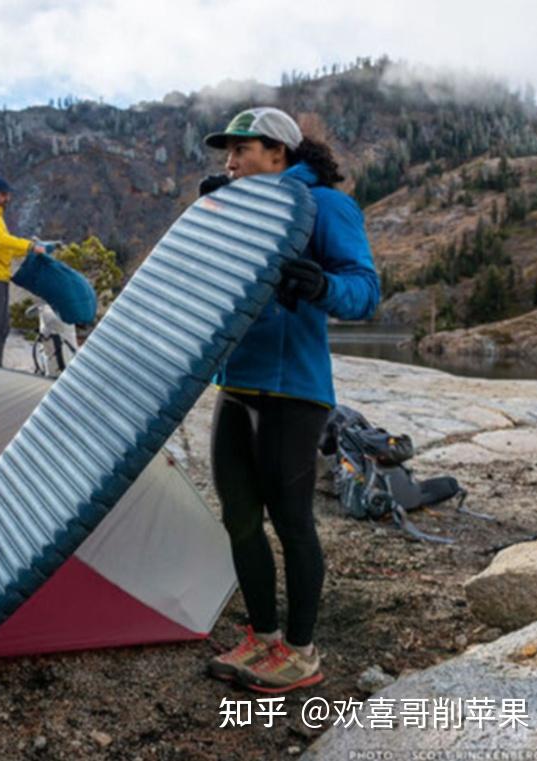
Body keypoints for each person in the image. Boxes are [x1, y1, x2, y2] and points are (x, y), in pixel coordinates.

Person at [200, 107, 380, 693]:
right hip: (237, 385)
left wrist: (325, 286)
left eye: (242, 150)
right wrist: (212, 221)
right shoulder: (237, 208)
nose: (229, 161)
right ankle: (262, 635)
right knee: (240, 518)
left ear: (278, 153)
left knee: (293, 522)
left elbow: (365, 289)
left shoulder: (324, 206)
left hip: (293, 391)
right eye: (226, 151)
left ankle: (301, 651)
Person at [0, 177, 49, 366]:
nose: (7, 199)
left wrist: (28, 249)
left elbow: (4, 246)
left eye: (8, 195)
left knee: (2, 326)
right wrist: (30, 246)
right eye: (4, 195)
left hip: (0, 274)